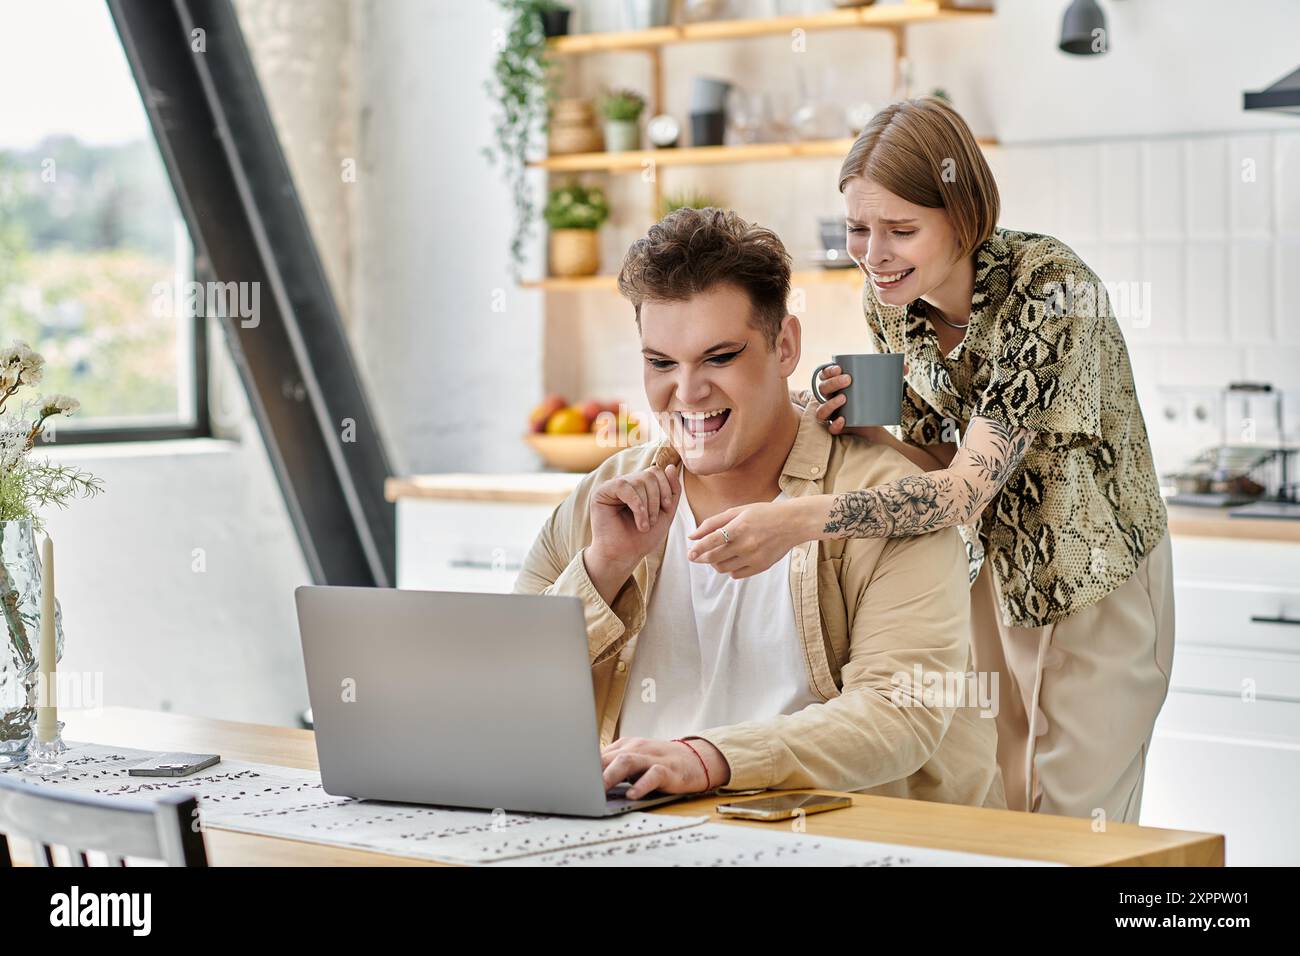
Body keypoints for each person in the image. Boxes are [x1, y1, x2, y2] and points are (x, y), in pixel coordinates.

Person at [684, 98, 1173, 825]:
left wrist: (801, 520)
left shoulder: (1050, 293)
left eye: (901, 230)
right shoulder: (890, 299)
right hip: (984, 579)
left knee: (1073, 823)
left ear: (963, 217)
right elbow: (937, 456)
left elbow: (960, 494)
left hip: (1090, 580)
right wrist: (862, 423)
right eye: (857, 229)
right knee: (992, 809)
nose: (873, 254)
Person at [514, 207, 1004, 807]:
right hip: (637, 838)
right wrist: (604, 568)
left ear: (784, 346)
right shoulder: (604, 497)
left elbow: (898, 716)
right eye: (661, 363)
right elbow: (511, 702)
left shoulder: (882, 503)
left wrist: (706, 758)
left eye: (720, 358)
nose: (688, 392)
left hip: (839, 844)